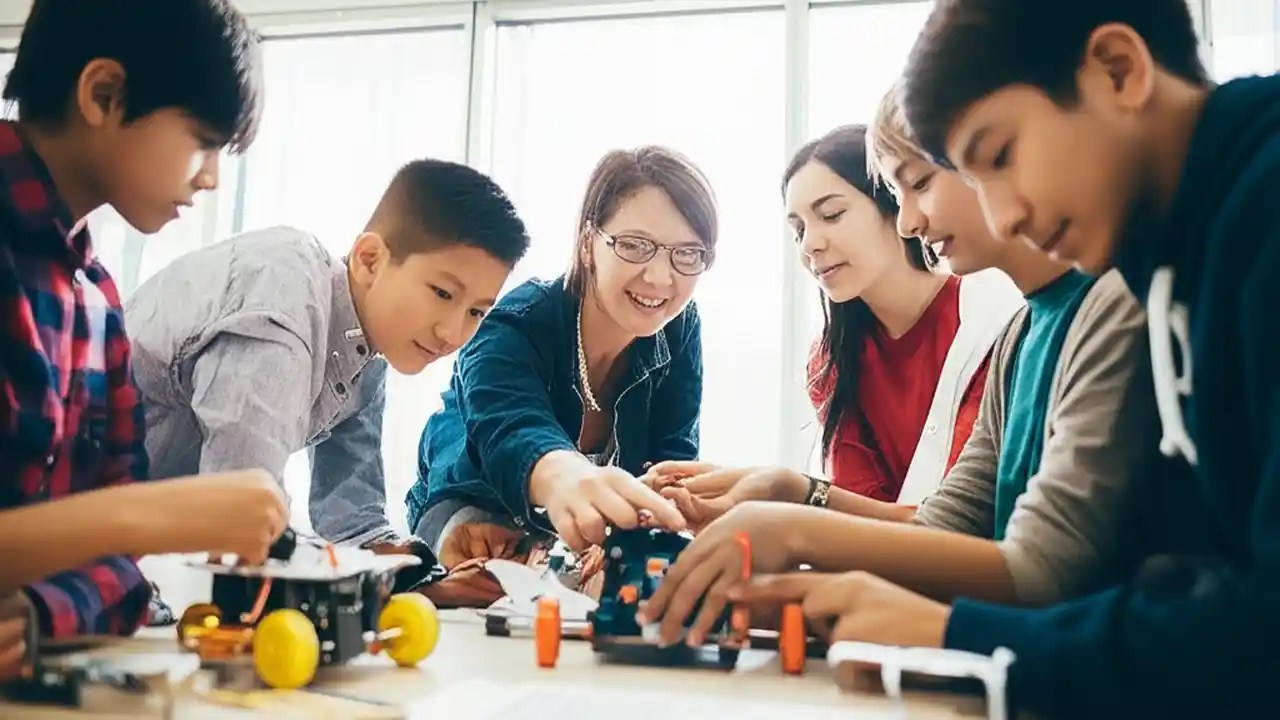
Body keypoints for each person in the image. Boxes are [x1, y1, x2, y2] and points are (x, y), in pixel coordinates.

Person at [730, 1, 1280, 716]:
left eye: (997, 156)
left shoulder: (1240, 224)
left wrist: (956, 634)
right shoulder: (1161, 265)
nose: (1004, 214)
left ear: (1118, 70)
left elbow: (1252, 623)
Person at [637, 88, 1159, 644]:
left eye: (920, 183)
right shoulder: (1020, 336)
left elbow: (1037, 569)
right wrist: (774, 547)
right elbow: (946, 528)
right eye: (798, 230)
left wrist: (790, 525)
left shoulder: (1098, 305)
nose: (909, 220)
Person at [0, 0, 287, 678]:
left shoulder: (96, 300)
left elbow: (121, 571)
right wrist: (155, 514)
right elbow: (125, 528)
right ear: (103, 94)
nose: (211, 176)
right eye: (202, 141)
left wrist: (39, 612)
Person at [125, 159, 529, 557]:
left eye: (476, 312)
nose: (452, 333)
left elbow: (354, 523)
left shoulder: (368, 348)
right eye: (442, 293)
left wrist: (429, 577)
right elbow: (239, 512)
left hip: (145, 546)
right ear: (370, 259)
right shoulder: (284, 302)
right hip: (98, 526)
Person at [404, 146, 710, 605]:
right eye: (634, 245)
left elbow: (670, 466)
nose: (660, 278)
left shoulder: (678, 327)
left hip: (576, 551)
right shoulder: (514, 324)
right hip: (472, 516)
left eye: (687, 253)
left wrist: (639, 534)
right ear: (588, 243)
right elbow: (509, 426)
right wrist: (563, 477)